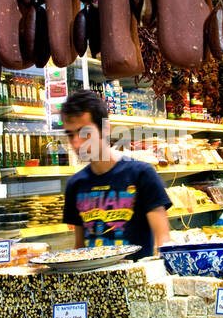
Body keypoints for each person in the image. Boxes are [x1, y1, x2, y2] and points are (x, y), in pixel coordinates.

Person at [61, 90, 171, 258]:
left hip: (138, 281)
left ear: (106, 128)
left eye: (85, 133)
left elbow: (163, 241)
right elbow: (79, 247)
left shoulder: (142, 174)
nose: (76, 143)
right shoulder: (75, 185)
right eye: (70, 134)